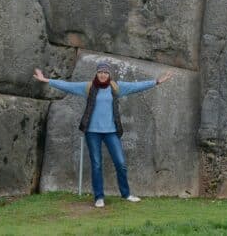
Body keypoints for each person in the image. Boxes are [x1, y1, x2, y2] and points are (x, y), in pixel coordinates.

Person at [33, 62, 173, 208]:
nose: (103, 74)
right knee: (97, 165)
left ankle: (126, 194)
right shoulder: (88, 87)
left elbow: (136, 86)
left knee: (121, 163)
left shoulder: (116, 87)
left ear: (109, 74)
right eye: (100, 72)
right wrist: (47, 80)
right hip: (92, 132)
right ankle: (99, 197)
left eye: (105, 72)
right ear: (96, 73)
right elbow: (68, 86)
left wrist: (156, 81)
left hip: (111, 132)